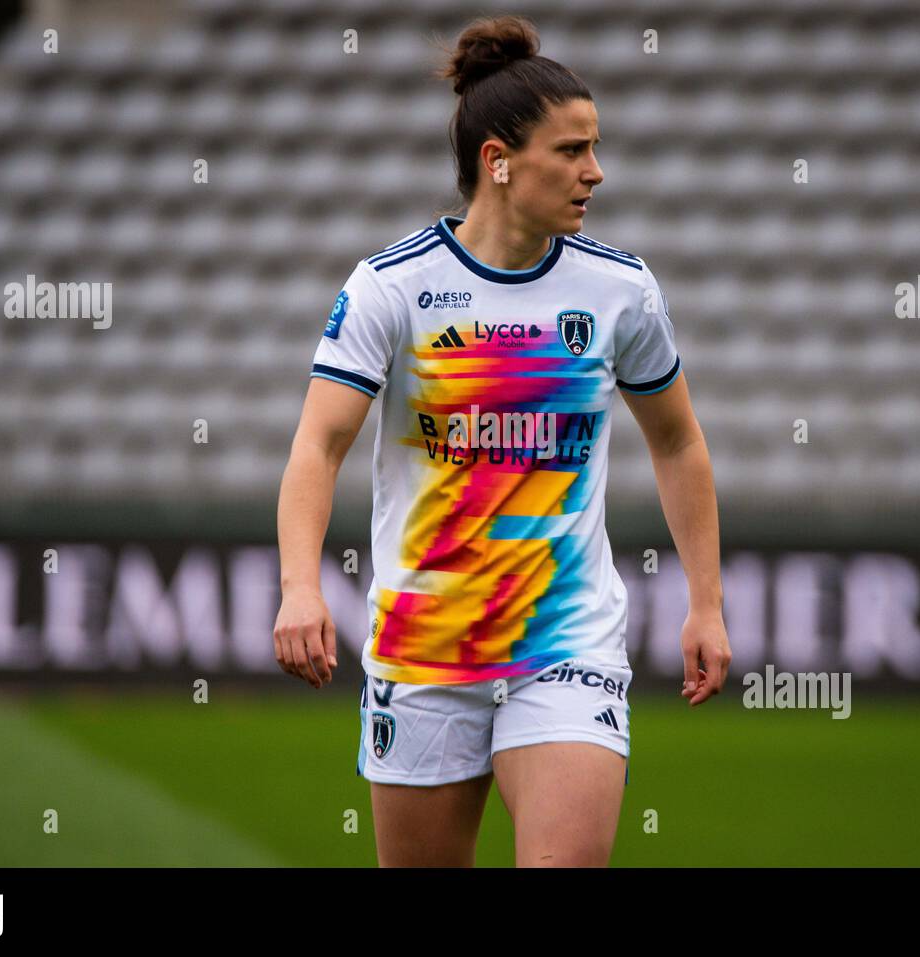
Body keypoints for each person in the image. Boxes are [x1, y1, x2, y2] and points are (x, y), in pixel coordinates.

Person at [274, 14, 731, 867]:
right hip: (426, 646)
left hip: (566, 643)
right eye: (572, 150)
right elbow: (317, 447)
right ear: (499, 160)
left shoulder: (619, 289)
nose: (596, 171)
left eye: (594, 148)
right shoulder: (392, 287)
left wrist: (705, 600)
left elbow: (678, 443)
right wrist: (302, 586)